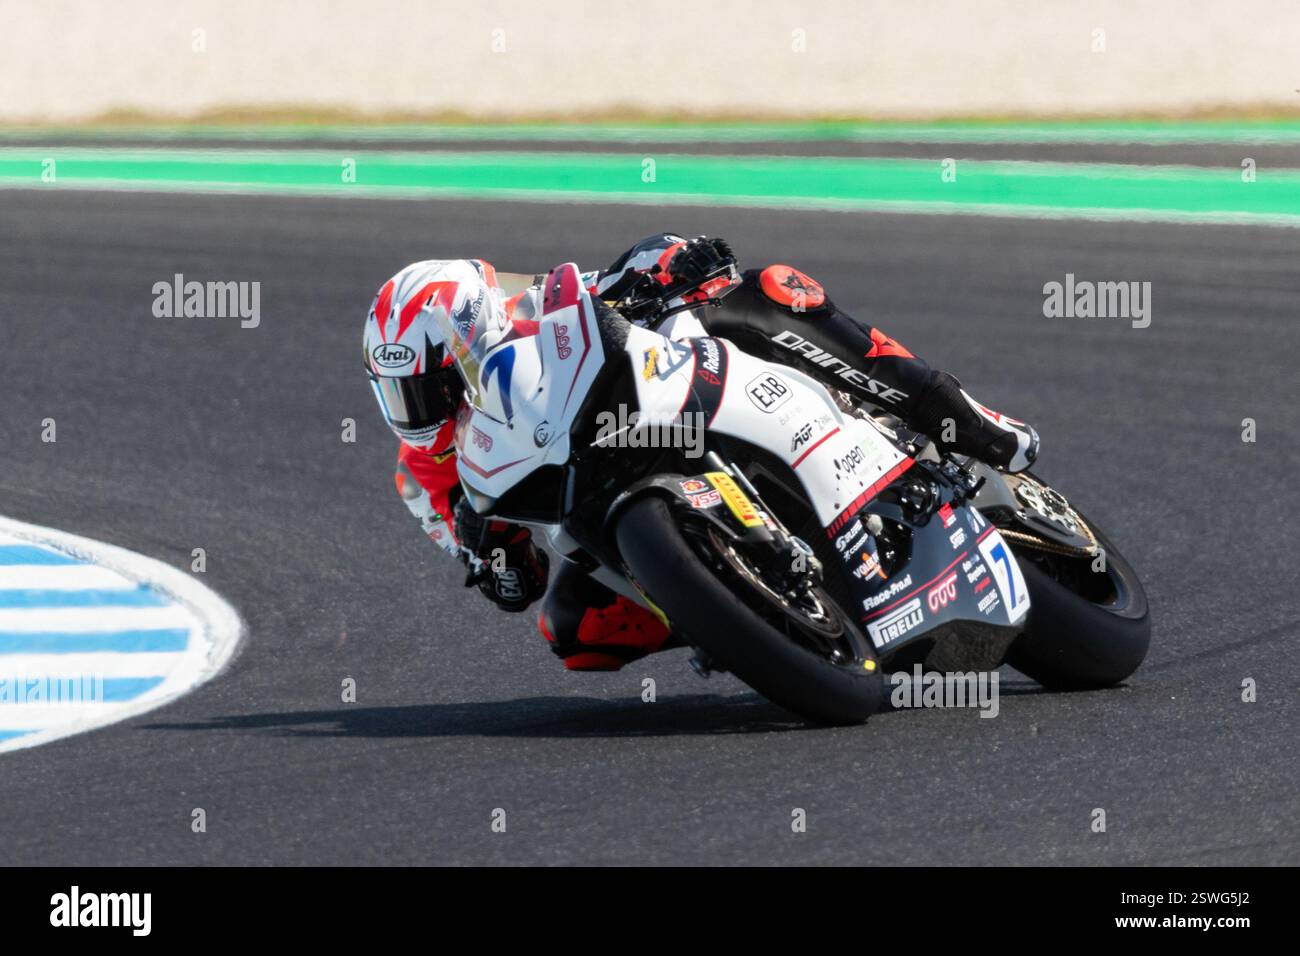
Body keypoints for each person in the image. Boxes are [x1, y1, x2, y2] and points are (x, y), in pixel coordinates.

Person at [362, 235, 1039, 671]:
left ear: (468, 344)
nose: (417, 416)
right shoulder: (420, 476)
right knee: (574, 631)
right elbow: (515, 584)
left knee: (766, 293)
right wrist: (491, 556)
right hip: (594, 515)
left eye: (427, 389)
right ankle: (736, 609)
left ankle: (956, 414)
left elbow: (635, 267)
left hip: (662, 404)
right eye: (400, 396)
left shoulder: (535, 313)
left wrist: (671, 269)